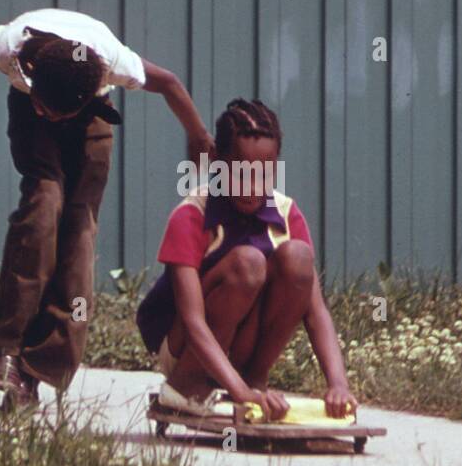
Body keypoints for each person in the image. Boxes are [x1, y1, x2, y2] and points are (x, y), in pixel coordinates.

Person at [0, 9, 214, 411]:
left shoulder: (113, 62)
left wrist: (200, 137)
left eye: (54, 116)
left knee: (80, 228)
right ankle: (4, 348)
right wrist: (39, 105)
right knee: (44, 205)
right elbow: (34, 101)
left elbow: (170, 83)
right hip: (30, 96)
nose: (47, 118)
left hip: (88, 109)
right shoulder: (4, 49)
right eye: (46, 109)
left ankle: (38, 368)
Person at [136, 99, 357, 421]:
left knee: (298, 256)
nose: (253, 186)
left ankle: (254, 378)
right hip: (186, 347)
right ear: (218, 162)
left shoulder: (285, 213)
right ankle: (188, 384)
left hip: (243, 343)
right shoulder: (192, 214)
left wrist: (338, 384)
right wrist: (236, 392)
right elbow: (193, 320)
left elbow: (315, 311)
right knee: (248, 263)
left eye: (264, 174)